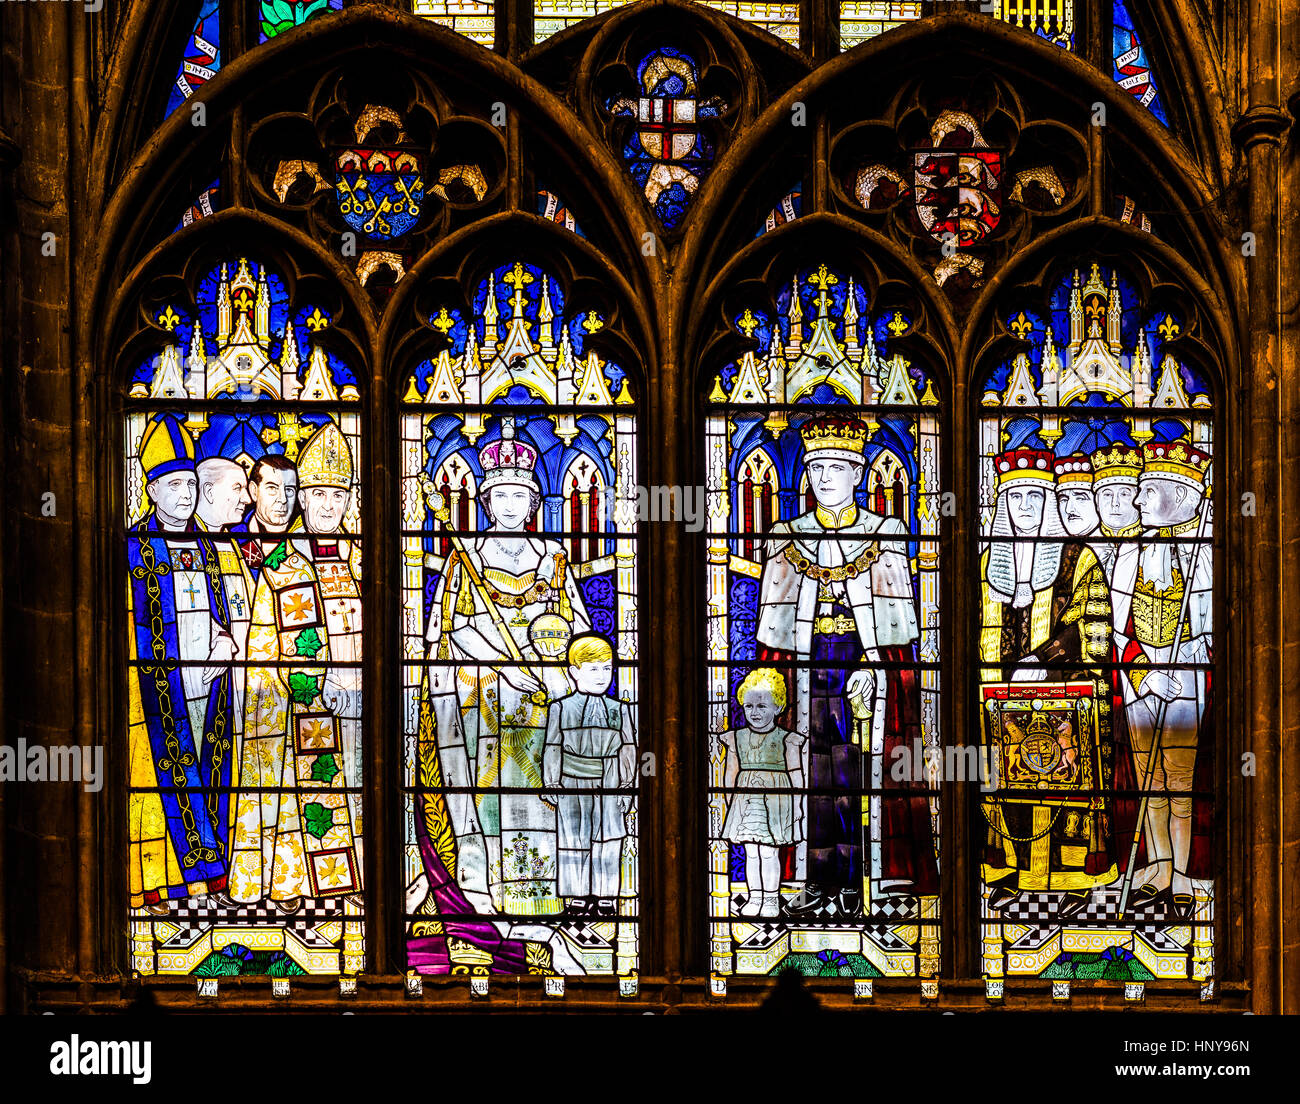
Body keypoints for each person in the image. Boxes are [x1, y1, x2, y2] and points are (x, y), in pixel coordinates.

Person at [755, 415, 935, 920]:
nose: (825, 477)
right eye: (816, 468)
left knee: (860, 777)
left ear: (859, 473)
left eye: (836, 467)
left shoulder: (887, 534)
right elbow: (775, 638)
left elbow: (899, 632)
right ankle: (813, 881)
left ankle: (866, 882)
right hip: (807, 678)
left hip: (866, 677)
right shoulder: (785, 537)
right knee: (813, 781)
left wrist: (876, 670)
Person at [425, 417, 590, 915]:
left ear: (534, 502)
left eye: (521, 496)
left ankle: (534, 894)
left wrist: (551, 657)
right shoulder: (466, 554)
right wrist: (503, 662)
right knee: (485, 794)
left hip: (542, 688)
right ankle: (482, 883)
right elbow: (450, 628)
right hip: (483, 692)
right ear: (487, 502)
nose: (511, 505)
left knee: (540, 786)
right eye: (501, 496)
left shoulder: (553, 556)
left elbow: (577, 626)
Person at [978, 447, 1116, 920]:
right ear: (1003, 505)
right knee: (1003, 781)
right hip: (996, 701)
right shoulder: (984, 564)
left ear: (1049, 501)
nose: (1025, 508)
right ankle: (1012, 875)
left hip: (1065, 700)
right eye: (1015, 498)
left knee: (1063, 779)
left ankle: (1071, 881)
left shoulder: (1077, 558)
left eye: (1035, 497)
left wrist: (1046, 658)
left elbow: (1095, 624)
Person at [229, 428, 362, 909]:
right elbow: (265, 631)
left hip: (348, 693)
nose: (328, 506)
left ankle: (338, 885)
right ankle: (275, 885)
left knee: (337, 784)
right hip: (279, 694)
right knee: (277, 783)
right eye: (317, 494)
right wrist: (310, 682)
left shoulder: (359, 557)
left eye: (339, 495)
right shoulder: (266, 557)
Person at [127, 415, 237, 910]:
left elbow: (221, 611)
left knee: (208, 770)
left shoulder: (210, 548)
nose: (186, 494)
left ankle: (211, 875)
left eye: (192, 484)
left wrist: (223, 642)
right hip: (157, 684)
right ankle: (163, 885)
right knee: (161, 774)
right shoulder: (131, 548)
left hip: (207, 680)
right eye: (175, 484)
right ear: (151, 490)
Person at [1109, 440, 1212, 920]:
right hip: (1141, 678)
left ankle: (1186, 871)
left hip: (1187, 672)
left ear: (1182, 495)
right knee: (1149, 782)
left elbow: (1218, 629)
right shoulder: (1127, 554)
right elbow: (1116, 630)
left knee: (1181, 783)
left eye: (1148, 491)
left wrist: (1188, 666)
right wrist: (1147, 675)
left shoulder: (1203, 555)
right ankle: (1161, 867)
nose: (1136, 501)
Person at [542, 634, 637, 917]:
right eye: (593, 668)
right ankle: (577, 896)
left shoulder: (620, 709)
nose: (602, 676)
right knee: (573, 837)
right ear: (574, 671)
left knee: (609, 836)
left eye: (607, 668)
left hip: (609, 779)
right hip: (572, 779)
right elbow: (552, 746)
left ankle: (606, 895)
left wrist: (629, 784)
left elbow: (629, 748)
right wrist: (552, 783)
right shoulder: (560, 708)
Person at [718, 669, 804, 919]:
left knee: (768, 851)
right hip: (746, 800)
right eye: (749, 706)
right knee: (751, 852)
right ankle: (755, 895)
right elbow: (730, 772)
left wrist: (797, 804)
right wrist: (730, 801)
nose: (754, 712)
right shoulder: (736, 738)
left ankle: (770, 899)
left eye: (762, 706)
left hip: (777, 800)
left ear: (778, 707)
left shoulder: (787, 740)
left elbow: (796, 772)